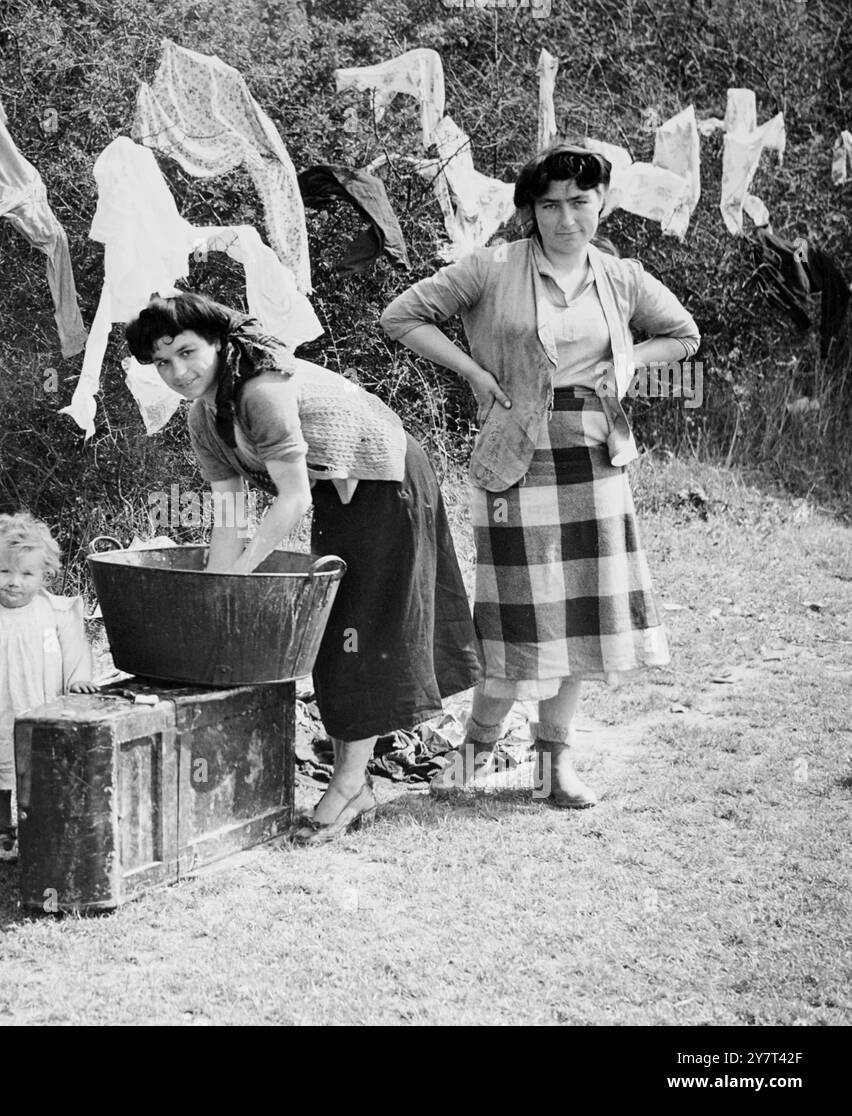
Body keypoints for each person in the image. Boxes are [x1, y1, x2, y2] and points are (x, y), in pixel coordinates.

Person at [380, 142, 701, 807]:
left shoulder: (620, 275)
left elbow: (683, 334)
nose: (565, 218)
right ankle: (477, 750)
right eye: (549, 204)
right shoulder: (493, 266)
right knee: (517, 622)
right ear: (530, 209)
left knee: (580, 618)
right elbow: (401, 315)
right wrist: (473, 371)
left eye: (580, 201)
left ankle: (556, 767)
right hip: (514, 458)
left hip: (593, 457)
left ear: (600, 202)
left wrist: (632, 361)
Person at [124, 291, 483, 845]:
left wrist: (244, 575)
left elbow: (292, 500)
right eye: (163, 363)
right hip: (339, 491)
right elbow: (229, 515)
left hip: (386, 480)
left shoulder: (260, 392)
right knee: (334, 634)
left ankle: (348, 789)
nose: (178, 371)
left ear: (219, 344)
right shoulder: (203, 416)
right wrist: (219, 594)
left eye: (189, 353)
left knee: (355, 632)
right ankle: (353, 782)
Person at [0, 512, 99, 861]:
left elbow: (75, 650)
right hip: (0, 706)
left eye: (27, 574)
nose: (14, 582)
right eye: (4, 571)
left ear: (44, 575)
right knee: (0, 769)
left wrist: (78, 678)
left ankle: (33, 827)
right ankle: (2, 828)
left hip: (41, 703)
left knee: (37, 771)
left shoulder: (56, 611)